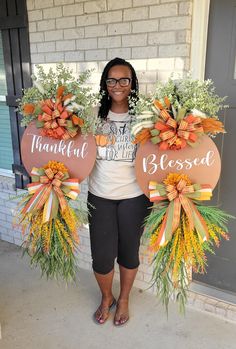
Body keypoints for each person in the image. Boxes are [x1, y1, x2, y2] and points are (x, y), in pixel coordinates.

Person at [88, 57, 150, 326]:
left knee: (129, 251)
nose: (117, 85)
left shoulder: (146, 118)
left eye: (124, 79)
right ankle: (106, 297)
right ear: (105, 84)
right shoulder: (92, 115)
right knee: (101, 257)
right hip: (100, 195)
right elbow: (73, 150)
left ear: (132, 83)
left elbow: (160, 155)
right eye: (111, 80)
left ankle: (123, 299)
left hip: (134, 197)